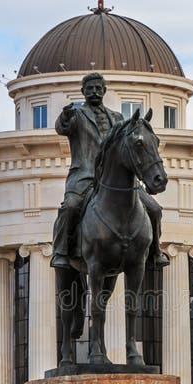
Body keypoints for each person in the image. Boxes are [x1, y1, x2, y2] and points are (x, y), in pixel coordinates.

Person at [51, 71, 168, 270]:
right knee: (70, 207)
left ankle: (155, 253)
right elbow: (62, 127)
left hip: (118, 179)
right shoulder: (77, 116)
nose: (94, 92)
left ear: (104, 91)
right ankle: (61, 252)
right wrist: (65, 116)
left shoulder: (118, 118)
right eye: (90, 89)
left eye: (98, 88)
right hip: (85, 177)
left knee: (155, 209)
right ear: (83, 92)